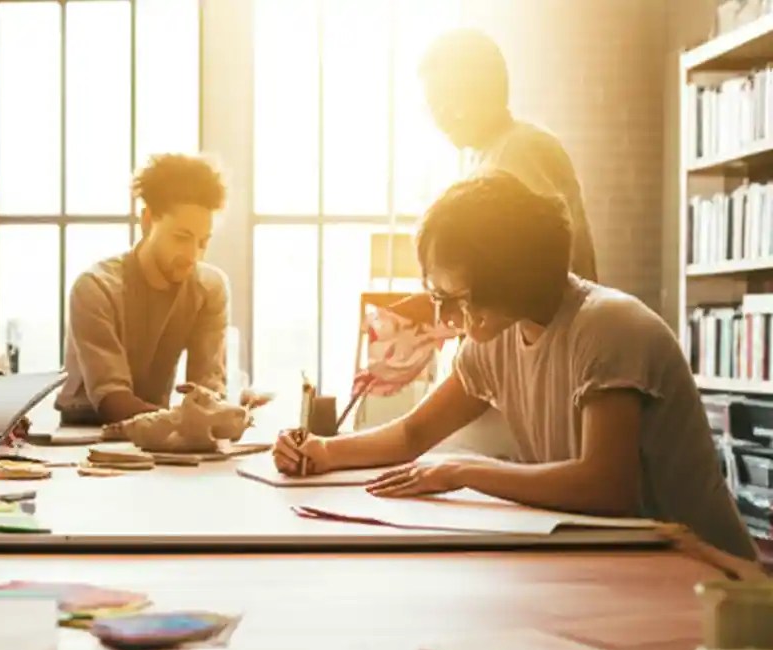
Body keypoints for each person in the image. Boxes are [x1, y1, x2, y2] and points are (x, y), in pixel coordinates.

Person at [274, 171, 758, 561]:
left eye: (457, 298)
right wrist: (322, 451)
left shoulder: (607, 326)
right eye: (439, 297)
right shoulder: (497, 335)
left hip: (706, 572)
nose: (446, 317)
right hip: (624, 556)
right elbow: (413, 434)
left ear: (507, 276)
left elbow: (606, 486)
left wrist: (463, 472)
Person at [55, 153, 230, 425]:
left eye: (202, 242)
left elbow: (209, 391)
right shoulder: (96, 288)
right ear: (147, 221)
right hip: (85, 427)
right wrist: (187, 421)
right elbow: (112, 401)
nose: (193, 255)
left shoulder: (209, 289)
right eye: (181, 237)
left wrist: (225, 412)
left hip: (158, 428)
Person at [420, 27, 598, 281]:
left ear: (486, 91)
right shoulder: (488, 153)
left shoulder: (519, 151)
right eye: (433, 105)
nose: (441, 117)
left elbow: (536, 270)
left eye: (449, 101)